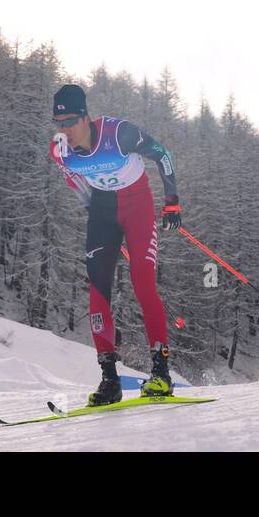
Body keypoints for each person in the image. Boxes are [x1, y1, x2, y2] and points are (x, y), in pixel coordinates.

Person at [49, 83, 184, 405]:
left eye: (70, 121)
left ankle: (161, 374)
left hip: (137, 206)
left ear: (86, 117)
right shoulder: (59, 150)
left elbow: (162, 155)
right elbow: (72, 178)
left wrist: (172, 202)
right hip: (103, 211)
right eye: (59, 123)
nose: (64, 130)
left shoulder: (118, 133)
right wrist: (90, 206)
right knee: (97, 289)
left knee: (143, 282)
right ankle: (109, 379)